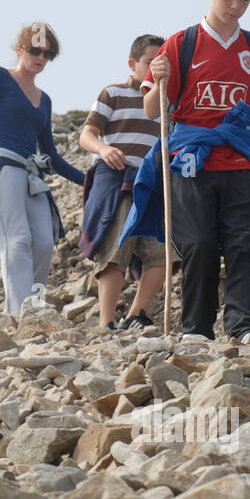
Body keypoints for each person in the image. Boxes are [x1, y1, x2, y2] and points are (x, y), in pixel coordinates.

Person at [125, 0, 250, 343]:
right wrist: (158, 77)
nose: (236, 6)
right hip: (190, 163)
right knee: (198, 245)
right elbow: (153, 111)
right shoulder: (181, 44)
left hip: (240, 163)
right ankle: (196, 330)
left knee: (243, 244)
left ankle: (247, 325)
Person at [0, 23, 85, 314]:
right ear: (20, 48)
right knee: (17, 240)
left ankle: (32, 308)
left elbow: (51, 156)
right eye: (36, 50)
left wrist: (88, 181)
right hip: (2, 169)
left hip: (32, 176)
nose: (41, 57)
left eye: (48, 53)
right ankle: (18, 313)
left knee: (45, 243)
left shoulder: (44, 100)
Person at [78, 35, 170, 329]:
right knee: (116, 248)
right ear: (133, 64)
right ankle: (106, 323)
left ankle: (134, 315)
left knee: (164, 253)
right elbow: (87, 135)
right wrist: (104, 149)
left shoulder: (168, 101)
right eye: (148, 63)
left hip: (152, 182)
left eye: (160, 63)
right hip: (117, 177)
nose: (155, 69)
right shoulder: (113, 93)